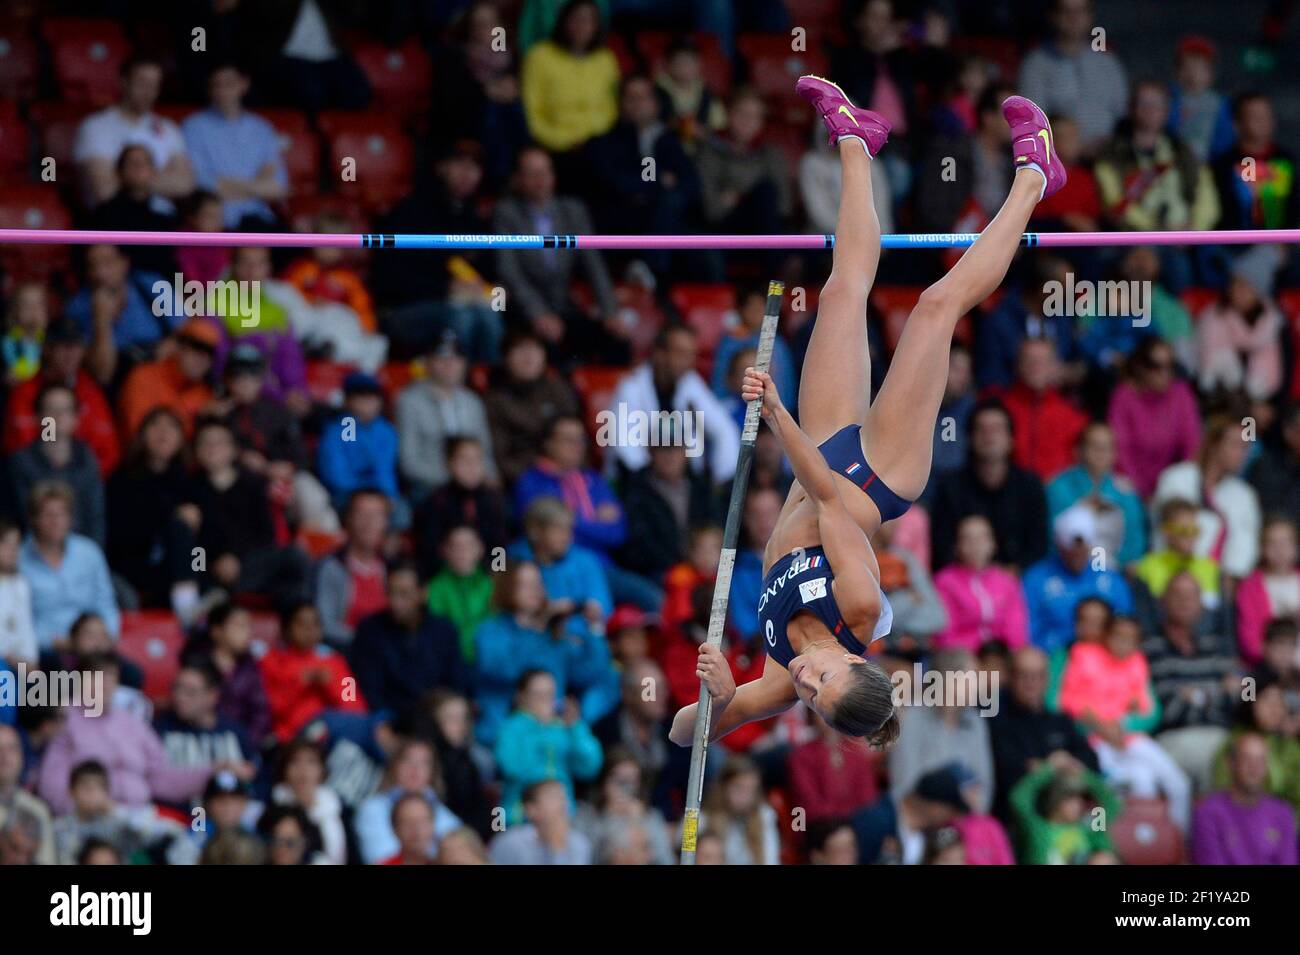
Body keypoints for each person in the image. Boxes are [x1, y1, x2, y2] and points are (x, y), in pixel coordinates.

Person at [671, 80, 1068, 749]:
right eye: (824, 678)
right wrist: (774, 413)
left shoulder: (773, 674)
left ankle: (856, 137)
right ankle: (1035, 174)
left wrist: (713, 699)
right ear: (854, 659)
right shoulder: (856, 606)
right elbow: (826, 496)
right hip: (875, 473)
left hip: (818, 455)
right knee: (935, 309)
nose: (804, 679)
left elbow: (686, 737)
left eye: (810, 697)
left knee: (840, 290)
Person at [930, 399, 1050, 570]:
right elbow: (942, 550)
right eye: (982, 429)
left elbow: (1039, 548)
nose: (989, 436)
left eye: (997, 429)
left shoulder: (1030, 486)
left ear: (1011, 439)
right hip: (962, 583)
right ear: (970, 438)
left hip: (1019, 582)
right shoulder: (950, 487)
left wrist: (1007, 578)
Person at [351, 561, 469, 719]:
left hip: (436, 721)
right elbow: (366, 688)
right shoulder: (370, 630)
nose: (395, 602)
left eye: (404, 594)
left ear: (423, 593)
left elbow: (456, 683)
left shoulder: (444, 631)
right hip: (387, 723)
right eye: (391, 593)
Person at [73, 55, 194, 207]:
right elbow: (104, 190)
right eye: (142, 83)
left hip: (163, 223)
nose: (148, 92)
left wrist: (125, 180)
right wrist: (161, 179)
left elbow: (185, 185)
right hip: (113, 223)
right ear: (123, 83)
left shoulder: (168, 128)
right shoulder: (95, 127)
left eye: (154, 85)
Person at [181, 62, 288, 229]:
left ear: (244, 84)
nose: (223, 91)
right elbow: (198, 182)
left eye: (229, 84)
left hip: (258, 218)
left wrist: (228, 184)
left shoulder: (262, 129)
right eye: (217, 85)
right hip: (214, 221)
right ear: (209, 88)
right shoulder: (193, 126)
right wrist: (255, 185)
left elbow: (277, 187)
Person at [18, 481, 119, 652]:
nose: (55, 521)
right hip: (44, 649)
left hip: (92, 646)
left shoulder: (89, 552)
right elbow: (16, 618)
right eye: (48, 515)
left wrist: (106, 635)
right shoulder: (18, 560)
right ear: (33, 518)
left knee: (132, 674)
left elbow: (106, 602)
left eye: (61, 514)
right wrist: (51, 641)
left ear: (70, 518)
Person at [395, 330, 498, 497]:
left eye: (456, 358)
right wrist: (454, 479)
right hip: (430, 486)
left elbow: (484, 451)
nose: (450, 364)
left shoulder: (473, 402)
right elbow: (408, 462)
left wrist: (489, 477)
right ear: (427, 362)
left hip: (472, 484)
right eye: (441, 358)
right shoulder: (409, 401)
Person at [494, 669, 603, 824]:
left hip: (563, 815)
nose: (545, 701)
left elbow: (589, 767)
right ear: (521, 697)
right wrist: (538, 729)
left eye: (550, 695)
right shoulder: (511, 729)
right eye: (538, 695)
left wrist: (576, 727)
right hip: (519, 817)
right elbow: (513, 768)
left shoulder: (564, 728)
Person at [1022, 505, 1134, 654]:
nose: (1077, 553)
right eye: (1071, 548)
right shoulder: (1036, 579)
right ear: (1059, 544)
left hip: (1105, 661)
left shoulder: (1108, 578)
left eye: (1083, 547)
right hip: (1054, 659)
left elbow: (1125, 626)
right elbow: (1029, 631)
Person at [1046, 422, 1148, 566]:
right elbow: (1052, 536)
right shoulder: (1058, 487)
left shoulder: (1125, 491)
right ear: (1078, 450)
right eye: (1094, 446)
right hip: (1066, 568)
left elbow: (1135, 540)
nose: (1101, 452)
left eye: (1107, 447)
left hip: (1114, 571)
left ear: (1115, 454)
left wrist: (1118, 565)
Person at [1190, 732, 1297, 865]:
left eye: (1261, 760)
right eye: (1247, 759)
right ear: (1231, 764)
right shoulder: (1207, 813)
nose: (1255, 767)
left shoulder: (1282, 812)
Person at [932, 514, 1030, 653]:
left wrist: (1002, 652)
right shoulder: (945, 582)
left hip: (1002, 655)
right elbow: (945, 634)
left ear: (993, 544)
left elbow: (1016, 629)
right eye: (967, 539)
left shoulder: (1006, 581)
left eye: (982, 538)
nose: (975, 545)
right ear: (957, 546)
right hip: (963, 657)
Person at [1009, 751, 1120, 864]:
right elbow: (1019, 799)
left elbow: (1110, 804)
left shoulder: (1090, 829)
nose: (1078, 805)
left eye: (1080, 800)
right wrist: (1049, 768)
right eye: (1070, 800)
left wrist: (1082, 773)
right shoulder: (1037, 829)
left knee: (1105, 859)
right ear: (1055, 801)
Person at [1236, 517, 1300, 664]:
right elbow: (1249, 640)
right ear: (1262, 548)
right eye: (1273, 543)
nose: (1279, 549)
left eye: (1285, 543)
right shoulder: (1249, 587)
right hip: (1266, 667)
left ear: (1296, 547)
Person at [488, 778, 592, 865]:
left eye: (563, 797)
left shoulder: (579, 842)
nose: (563, 804)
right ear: (531, 809)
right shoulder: (510, 842)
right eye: (553, 797)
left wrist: (557, 849)